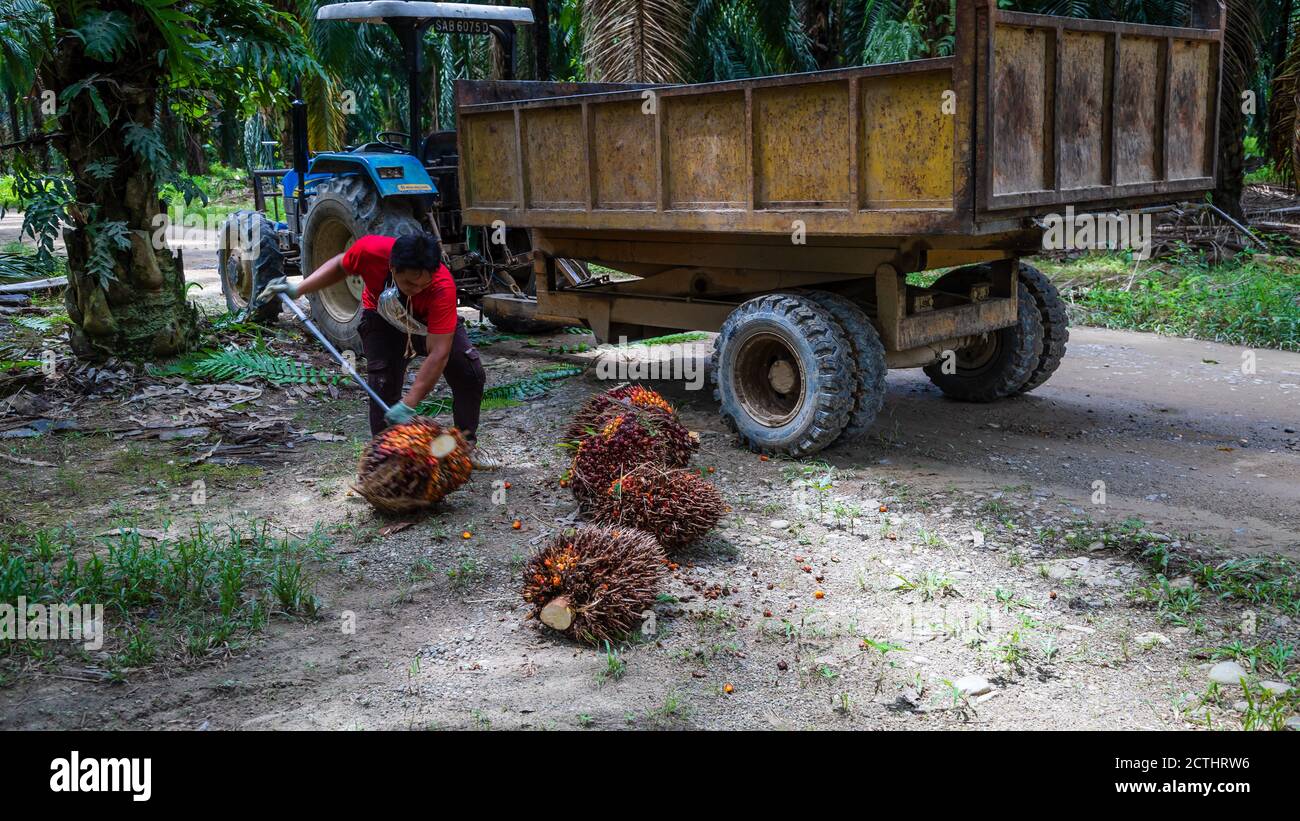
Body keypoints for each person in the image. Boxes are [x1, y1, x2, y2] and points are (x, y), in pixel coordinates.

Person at [259, 232, 498, 470]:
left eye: (423, 283)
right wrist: (298, 288)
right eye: (410, 283)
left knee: (469, 372)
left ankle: (464, 447)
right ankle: (385, 462)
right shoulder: (370, 252)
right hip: (383, 316)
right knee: (382, 385)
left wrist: (409, 403)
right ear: (392, 268)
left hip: (428, 323)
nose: (417, 289)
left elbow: (439, 353)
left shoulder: (441, 287)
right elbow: (342, 265)